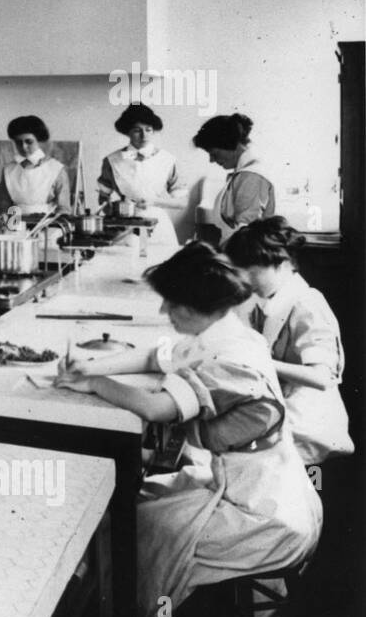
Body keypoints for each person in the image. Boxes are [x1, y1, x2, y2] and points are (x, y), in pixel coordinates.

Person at [54, 243, 322, 617]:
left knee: (139, 528)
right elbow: (155, 358)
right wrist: (89, 365)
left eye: (171, 304)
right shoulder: (226, 333)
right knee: (136, 502)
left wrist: (95, 384)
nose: (164, 312)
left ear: (197, 306)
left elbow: (156, 408)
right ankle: (121, 611)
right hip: (252, 486)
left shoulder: (230, 359)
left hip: (265, 516)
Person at [224, 218, 353, 464]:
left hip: (310, 423)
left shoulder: (307, 304)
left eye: (252, 273)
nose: (247, 282)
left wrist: (260, 362)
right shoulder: (270, 302)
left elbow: (322, 377)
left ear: (282, 264)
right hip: (287, 410)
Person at [96, 103, 186, 247]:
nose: (144, 135)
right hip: (124, 228)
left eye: (148, 130)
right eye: (137, 130)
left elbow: (182, 203)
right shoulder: (112, 161)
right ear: (127, 132)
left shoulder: (167, 160)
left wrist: (154, 201)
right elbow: (103, 201)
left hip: (158, 225)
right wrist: (115, 207)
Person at [193, 113, 276, 242]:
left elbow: (247, 233)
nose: (211, 160)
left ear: (231, 145)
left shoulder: (251, 176)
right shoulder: (245, 173)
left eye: (214, 153)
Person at [0, 115, 71, 220]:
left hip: (48, 228)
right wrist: (2, 218)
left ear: (39, 141)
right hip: (16, 228)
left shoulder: (56, 170)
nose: (23, 147)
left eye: (29, 142)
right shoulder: (9, 170)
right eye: (19, 142)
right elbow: (4, 208)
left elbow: (64, 210)